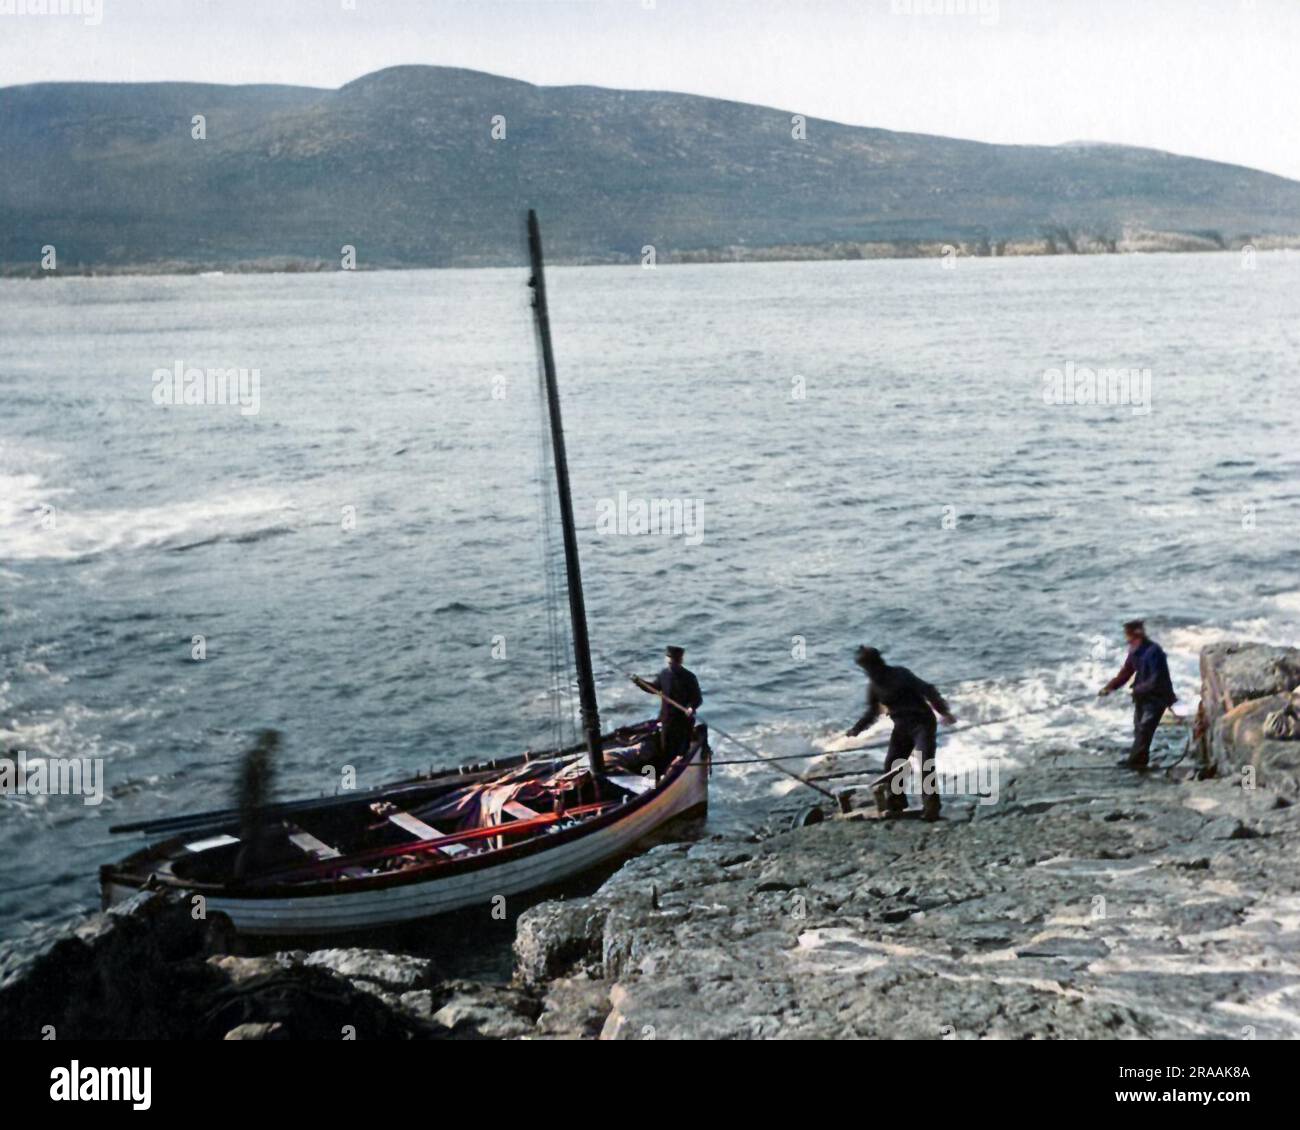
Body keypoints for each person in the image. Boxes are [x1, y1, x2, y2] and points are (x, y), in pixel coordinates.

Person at [847, 646, 955, 821]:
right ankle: (897, 803)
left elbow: (928, 690)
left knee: (925, 763)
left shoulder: (900, 674)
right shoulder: (874, 686)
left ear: (877, 663)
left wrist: (944, 712)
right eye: (864, 668)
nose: (868, 672)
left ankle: (932, 809)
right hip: (901, 726)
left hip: (922, 723)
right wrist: (857, 729)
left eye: (868, 667)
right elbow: (873, 712)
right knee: (892, 764)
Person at [1099, 619, 1177, 769]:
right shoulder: (1135, 651)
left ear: (1137, 635)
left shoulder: (1154, 651)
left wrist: (1137, 690)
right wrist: (1109, 687)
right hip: (1143, 698)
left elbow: (1157, 679)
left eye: (1129, 636)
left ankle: (1135, 763)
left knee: (1144, 729)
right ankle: (1139, 761)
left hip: (1157, 698)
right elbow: (1126, 672)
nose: (1128, 639)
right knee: (1139, 729)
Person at [635, 646, 703, 771]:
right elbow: (654, 689)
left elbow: (697, 699)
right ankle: (663, 774)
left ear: (680, 660)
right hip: (667, 719)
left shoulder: (689, 677)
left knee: (682, 750)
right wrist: (639, 682)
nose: (672, 662)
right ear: (667, 659)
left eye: (675, 660)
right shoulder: (664, 674)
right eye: (670, 659)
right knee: (666, 749)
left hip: (683, 721)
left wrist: (691, 708)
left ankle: (679, 770)